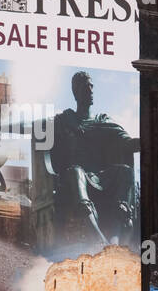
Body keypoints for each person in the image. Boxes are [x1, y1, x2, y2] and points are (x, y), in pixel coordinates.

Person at [50, 71, 140, 249]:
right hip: (77, 179)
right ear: (76, 92)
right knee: (76, 172)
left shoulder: (103, 121)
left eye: (91, 86)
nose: (90, 90)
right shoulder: (64, 120)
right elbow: (36, 128)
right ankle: (99, 240)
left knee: (126, 172)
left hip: (102, 178)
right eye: (85, 87)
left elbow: (128, 143)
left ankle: (114, 244)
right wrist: (2, 128)